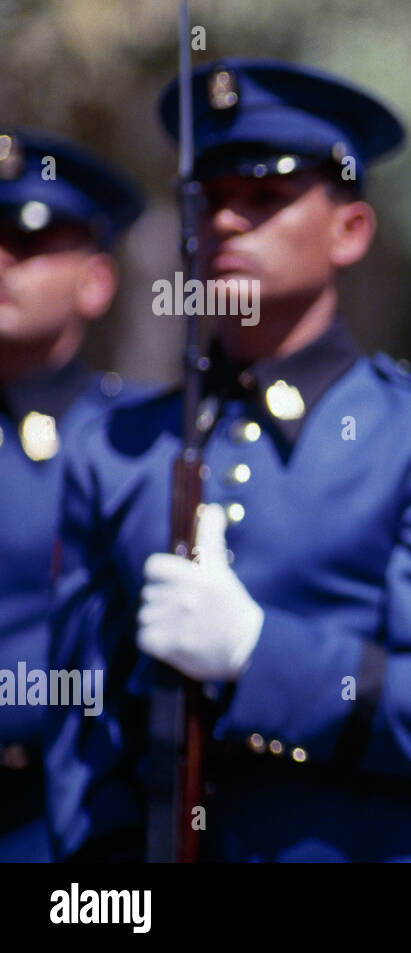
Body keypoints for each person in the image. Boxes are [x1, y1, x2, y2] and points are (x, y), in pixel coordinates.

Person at [45, 59, 411, 862]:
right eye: (211, 198)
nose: (228, 222)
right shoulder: (118, 447)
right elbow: (81, 732)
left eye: (264, 199)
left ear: (350, 231)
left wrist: (257, 654)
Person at [0, 128, 143, 862]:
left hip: (67, 831)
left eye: (28, 243)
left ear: (95, 281)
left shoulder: (138, 443)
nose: (1, 262)